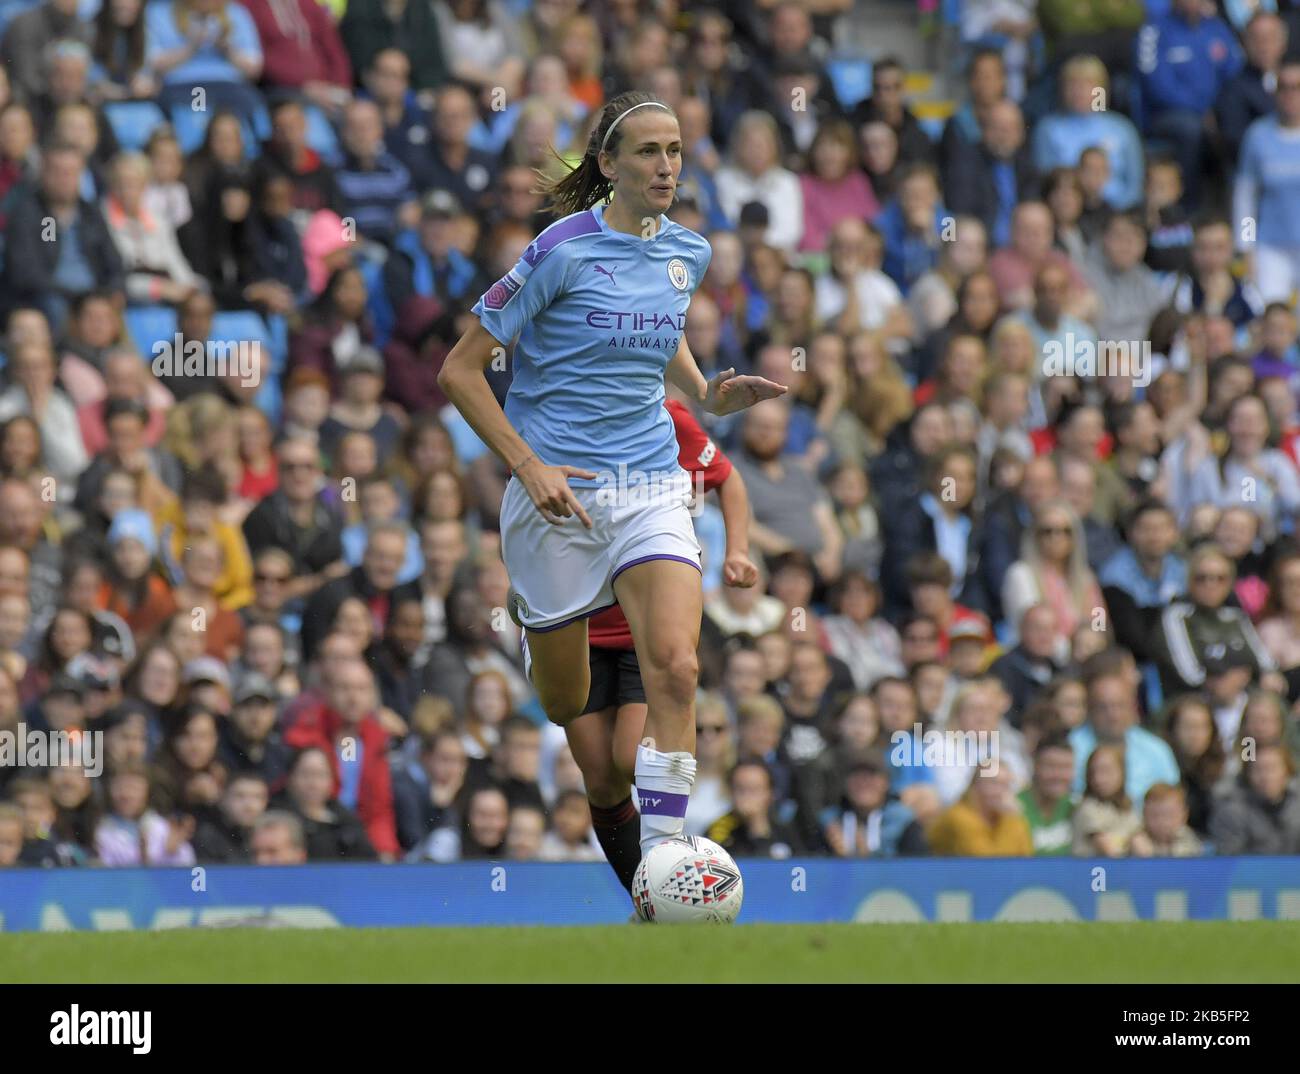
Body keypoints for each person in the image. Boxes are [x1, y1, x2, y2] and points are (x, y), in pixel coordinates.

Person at [438, 92, 784, 884]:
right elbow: (458, 372)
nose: (667, 166)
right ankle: (542, 634)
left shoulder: (688, 252)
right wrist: (528, 464)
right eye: (648, 152)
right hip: (554, 497)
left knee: (678, 667)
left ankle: (667, 860)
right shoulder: (559, 251)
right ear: (608, 164)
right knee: (566, 704)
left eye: (675, 150)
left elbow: (663, 342)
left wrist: (707, 395)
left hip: (650, 483)